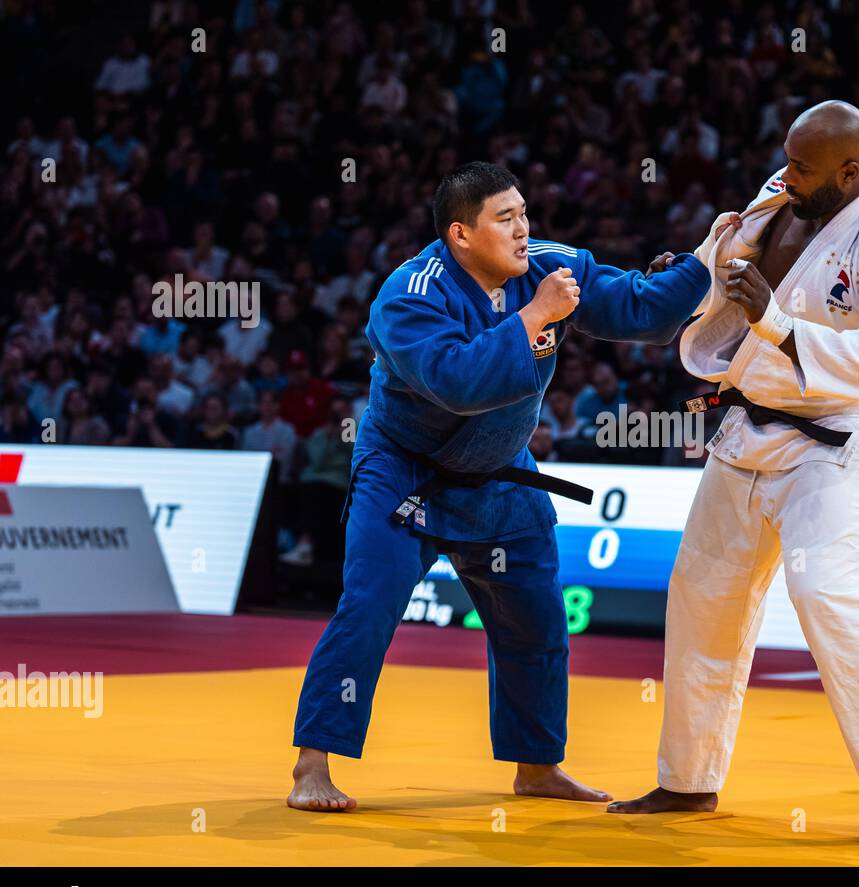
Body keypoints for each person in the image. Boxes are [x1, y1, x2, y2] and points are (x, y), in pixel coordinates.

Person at [288, 161, 709, 811]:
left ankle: (537, 766)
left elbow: (644, 313)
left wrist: (709, 257)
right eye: (504, 218)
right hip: (406, 473)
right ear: (461, 234)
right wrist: (535, 317)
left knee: (535, 620)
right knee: (368, 607)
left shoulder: (549, 265)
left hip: (502, 476)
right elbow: (456, 382)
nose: (523, 229)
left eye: (523, 213)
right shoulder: (410, 294)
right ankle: (313, 764)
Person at [608, 101, 859, 843]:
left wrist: (777, 323)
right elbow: (733, 271)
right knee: (703, 593)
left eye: (804, 166)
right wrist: (691, 278)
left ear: (852, 170)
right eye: (789, 159)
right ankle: (687, 780)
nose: (786, 175)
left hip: (837, 444)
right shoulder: (787, 188)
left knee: (827, 590)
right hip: (749, 425)